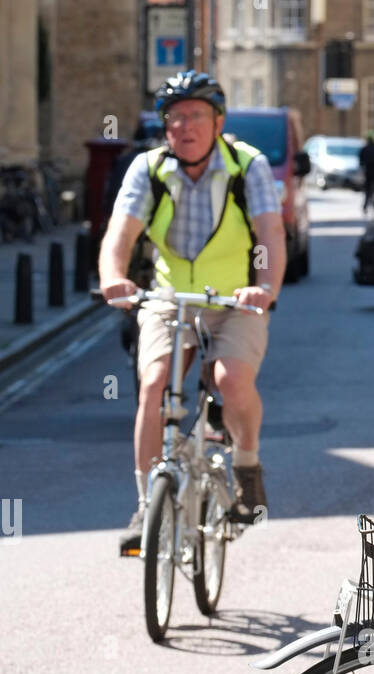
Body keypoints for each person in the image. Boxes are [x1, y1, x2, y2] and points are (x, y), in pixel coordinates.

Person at [98, 70, 286, 553]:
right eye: (174, 117)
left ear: (218, 122)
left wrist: (264, 286)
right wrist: (112, 277)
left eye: (196, 116)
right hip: (169, 300)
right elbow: (118, 235)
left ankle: (246, 463)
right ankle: (146, 504)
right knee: (153, 386)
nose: (184, 126)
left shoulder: (249, 167)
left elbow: (270, 235)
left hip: (235, 301)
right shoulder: (149, 168)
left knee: (230, 380)